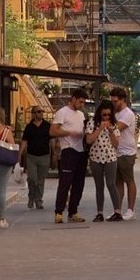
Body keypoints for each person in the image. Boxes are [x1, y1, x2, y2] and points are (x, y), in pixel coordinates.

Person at [50, 88, 89, 224]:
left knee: (79, 184)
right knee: (65, 183)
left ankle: (73, 211)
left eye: (83, 102)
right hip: (68, 150)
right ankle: (59, 211)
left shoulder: (81, 115)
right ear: (73, 99)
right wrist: (69, 133)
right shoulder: (62, 113)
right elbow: (53, 130)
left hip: (81, 151)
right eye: (80, 101)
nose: (81, 105)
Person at [85, 100, 122, 222]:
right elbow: (89, 140)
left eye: (108, 115)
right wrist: (100, 128)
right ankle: (99, 213)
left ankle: (117, 212)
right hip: (96, 157)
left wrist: (111, 132)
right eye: (104, 115)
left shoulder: (114, 125)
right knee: (99, 185)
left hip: (110, 157)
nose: (106, 117)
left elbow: (116, 144)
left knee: (111, 183)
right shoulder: (92, 122)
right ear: (99, 113)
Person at [109, 87, 138, 221]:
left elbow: (117, 128)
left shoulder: (127, 114)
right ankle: (118, 209)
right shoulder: (115, 113)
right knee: (117, 182)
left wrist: (106, 125)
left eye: (116, 101)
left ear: (123, 100)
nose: (114, 104)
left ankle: (130, 209)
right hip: (115, 152)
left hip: (126, 152)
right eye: (112, 101)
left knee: (129, 180)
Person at [19, 106, 52, 210]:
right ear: (33, 114)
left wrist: (55, 153)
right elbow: (24, 141)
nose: (41, 113)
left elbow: (52, 140)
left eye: (42, 111)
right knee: (32, 178)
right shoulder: (29, 127)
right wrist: (19, 154)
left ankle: (38, 201)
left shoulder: (47, 126)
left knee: (41, 180)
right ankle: (31, 196)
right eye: (38, 112)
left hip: (44, 156)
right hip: (31, 156)